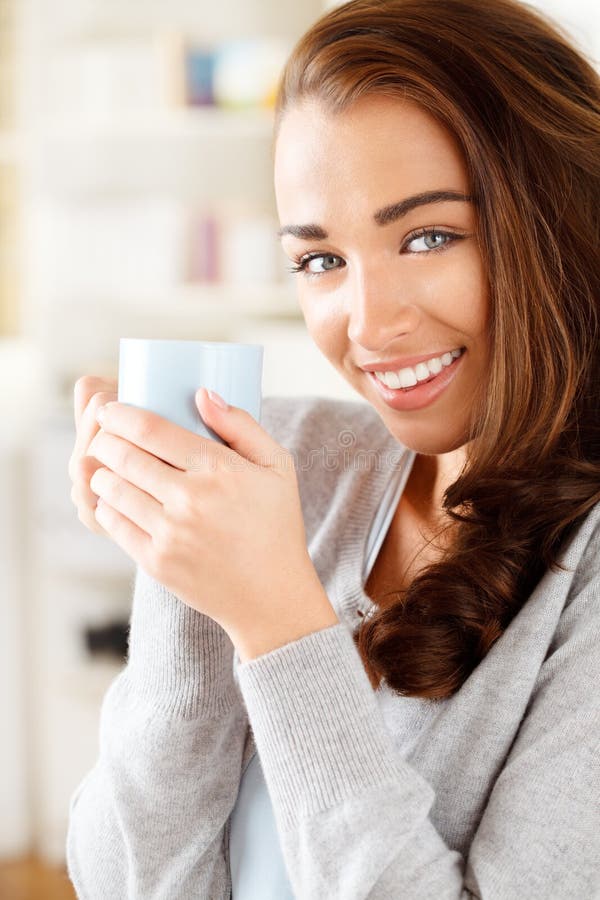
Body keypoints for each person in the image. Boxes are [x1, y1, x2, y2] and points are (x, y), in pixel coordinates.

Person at [66, 0, 600, 896]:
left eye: (429, 236)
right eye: (320, 261)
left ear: (567, 223)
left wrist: (278, 620)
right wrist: (182, 572)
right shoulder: (292, 456)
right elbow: (130, 879)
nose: (369, 324)